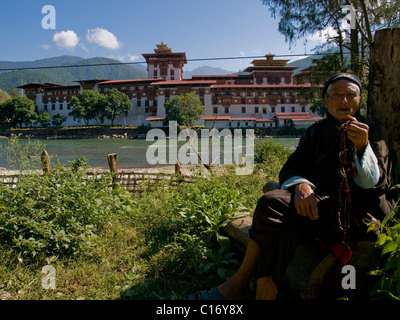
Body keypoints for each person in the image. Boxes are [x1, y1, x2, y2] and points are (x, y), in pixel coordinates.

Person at [190, 73, 392, 300]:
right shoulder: (315, 132)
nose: (343, 100)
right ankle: (263, 289)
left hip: (357, 214)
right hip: (317, 208)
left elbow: (375, 185)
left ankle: (241, 285)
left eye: (350, 95)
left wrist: (362, 147)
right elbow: (292, 167)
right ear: (325, 101)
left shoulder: (373, 132)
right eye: (336, 95)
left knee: (273, 203)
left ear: (360, 100)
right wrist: (302, 185)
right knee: (280, 217)